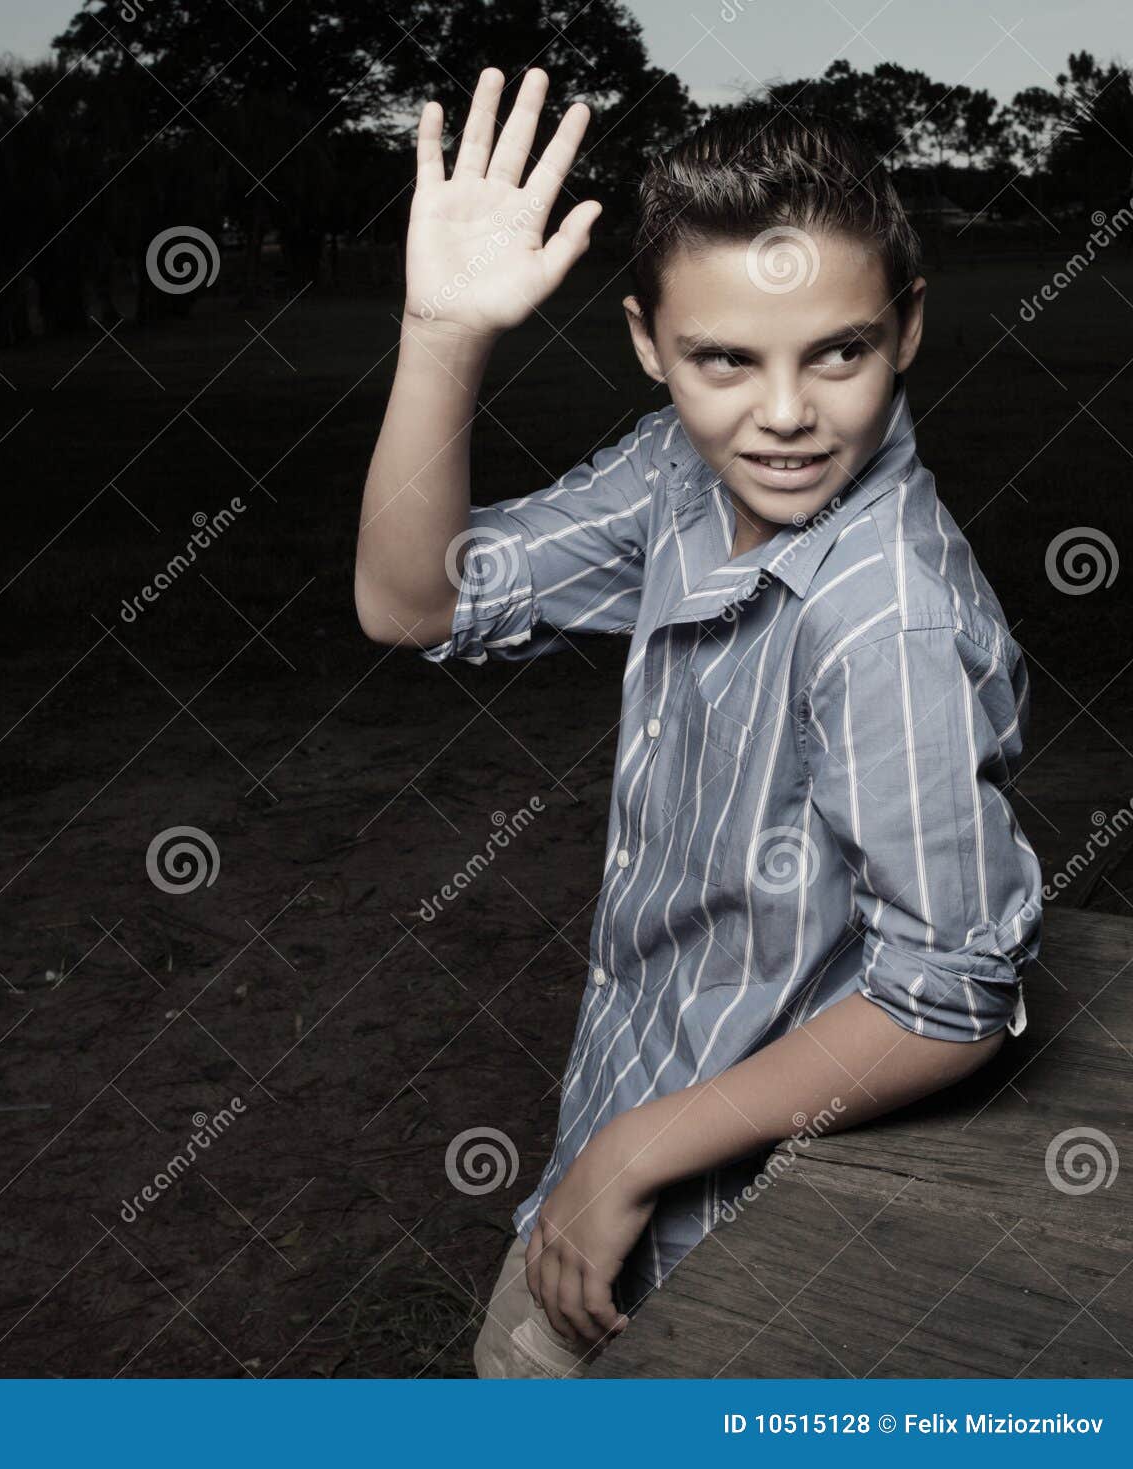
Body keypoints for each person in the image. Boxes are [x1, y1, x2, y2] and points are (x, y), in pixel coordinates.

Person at [353, 67, 1042, 1379]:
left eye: (835, 349)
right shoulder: (680, 468)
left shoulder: (889, 622)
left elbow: (950, 995)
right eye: (725, 358)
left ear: (905, 330)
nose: (783, 415)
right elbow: (412, 599)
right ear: (647, 345)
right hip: (623, 1115)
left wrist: (634, 1154)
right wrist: (442, 333)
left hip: (761, 1232)